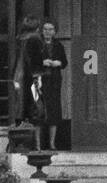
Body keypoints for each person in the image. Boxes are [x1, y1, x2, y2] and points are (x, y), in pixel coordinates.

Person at [10, 16, 45, 149]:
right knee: (37, 108)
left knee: (21, 108)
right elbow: (35, 60)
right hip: (31, 79)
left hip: (18, 77)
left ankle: (19, 143)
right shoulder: (35, 39)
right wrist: (38, 77)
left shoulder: (19, 39)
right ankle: (37, 145)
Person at [36, 19, 68, 151]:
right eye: (45, 29)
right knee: (38, 111)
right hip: (39, 81)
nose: (47, 32)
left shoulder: (58, 45)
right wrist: (42, 62)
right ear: (41, 31)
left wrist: (58, 63)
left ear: (54, 32)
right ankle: (37, 144)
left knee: (54, 111)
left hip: (54, 82)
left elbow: (65, 62)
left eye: (50, 29)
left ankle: (52, 143)